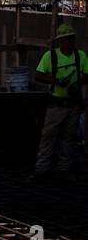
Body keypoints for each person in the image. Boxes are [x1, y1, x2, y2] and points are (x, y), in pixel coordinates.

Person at [31, 24, 88, 179]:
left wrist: (78, 83)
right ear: (60, 41)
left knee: (68, 138)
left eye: (71, 39)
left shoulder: (80, 56)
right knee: (48, 136)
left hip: (73, 105)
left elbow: (87, 75)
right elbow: (38, 75)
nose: (69, 42)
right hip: (55, 104)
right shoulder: (51, 56)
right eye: (66, 39)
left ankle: (64, 170)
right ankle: (41, 169)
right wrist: (56, 81)